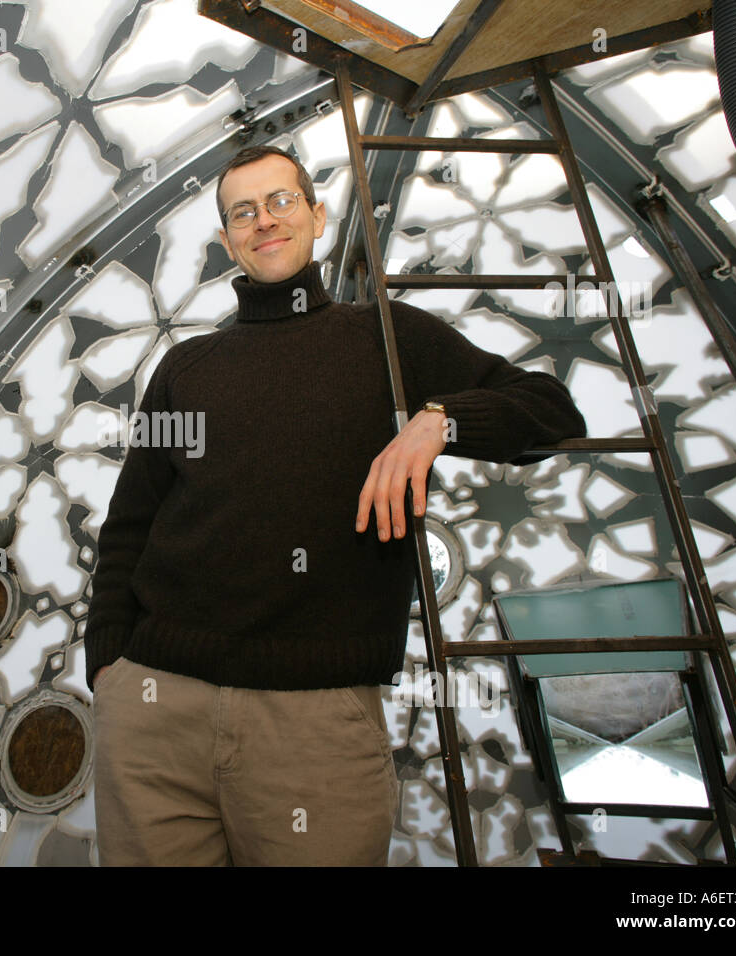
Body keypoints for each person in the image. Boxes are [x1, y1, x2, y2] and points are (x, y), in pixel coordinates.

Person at [83, 145, 587, 866]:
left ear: (317, 216)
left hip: (316, 718)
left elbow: (551, 411)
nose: (265, 221)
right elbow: (129, 525)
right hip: (155, 714)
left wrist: (437, 422)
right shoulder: (185, 367)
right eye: (243, 212)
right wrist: (109, 669)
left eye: (281, 201)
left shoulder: (387, 338)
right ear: (228, 240)